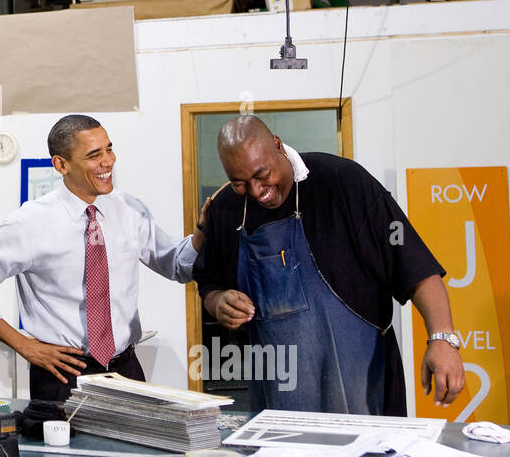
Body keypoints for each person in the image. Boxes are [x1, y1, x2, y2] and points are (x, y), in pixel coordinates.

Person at [194, 115, 465, 416]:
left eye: (262, 175)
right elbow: (208, 281)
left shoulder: (344, 182)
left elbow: (414, 265)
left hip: (363, 391)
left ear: (278, 146)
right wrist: (219, 301)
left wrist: (443, 338)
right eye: (240, 183)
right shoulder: (227, 208)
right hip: (280, 407)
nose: (257, 191)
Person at [0, 115, 206, 401]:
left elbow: (177, 265)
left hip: (126, 370)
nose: (108, 161)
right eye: (94, 155)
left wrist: (203, 229)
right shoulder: (30, 223)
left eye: (109, 149)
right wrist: (23, 345)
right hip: (62, 375)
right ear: (61, 165)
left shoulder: (131, 210)